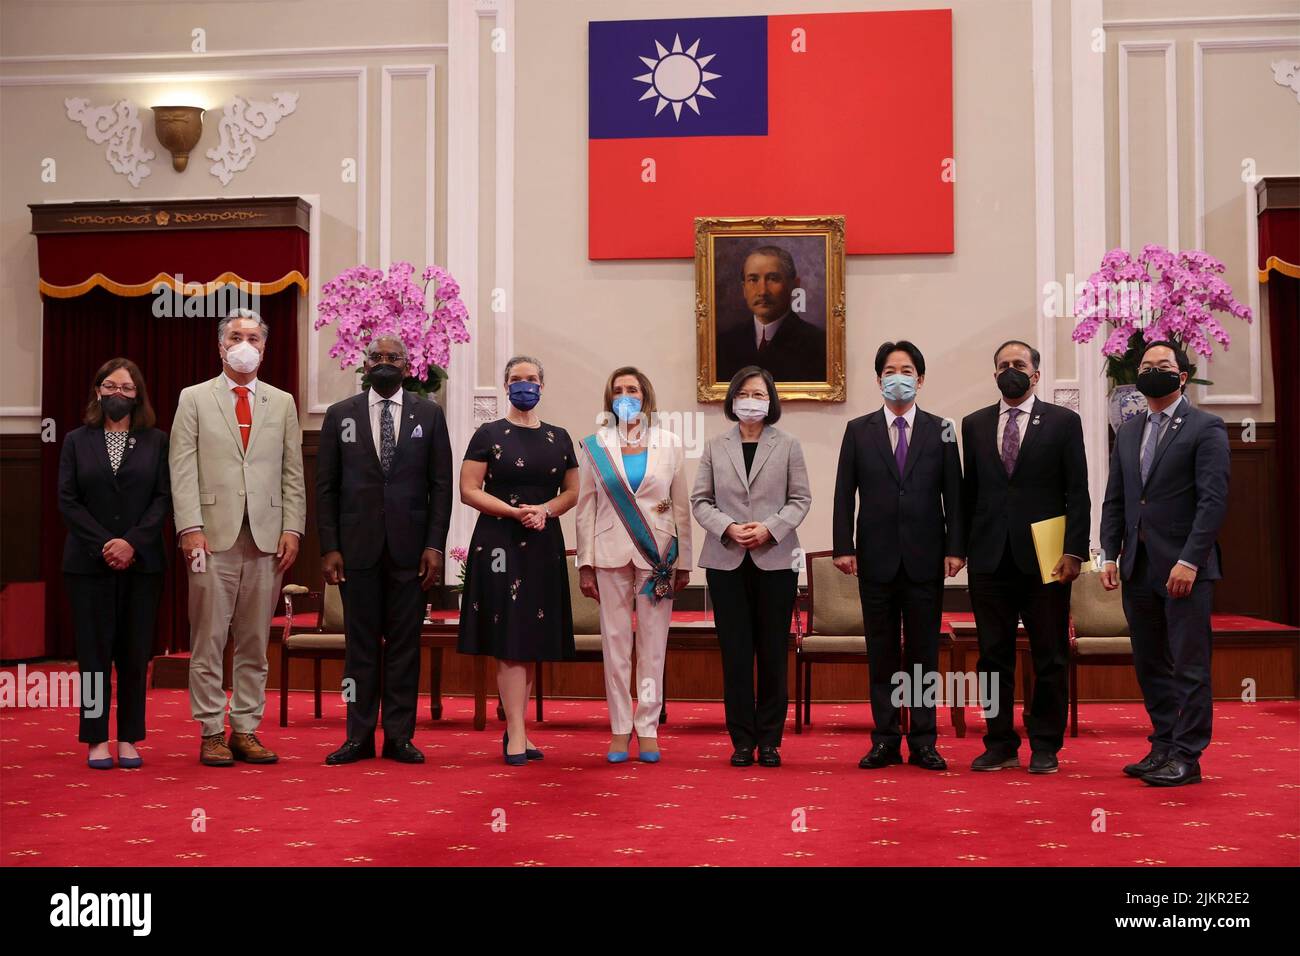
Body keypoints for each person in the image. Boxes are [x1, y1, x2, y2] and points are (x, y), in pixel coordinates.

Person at [170, 309, 305, 766]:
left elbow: (292, 472)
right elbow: (182, 467)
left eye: (253, 337)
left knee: (253, 642)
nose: (244, 343)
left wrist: (293, 527)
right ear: (220, 345)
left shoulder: (282, 402)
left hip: (267, 538)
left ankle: (246, 728)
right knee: (208, 639)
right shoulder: (193, 398)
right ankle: (211, 730)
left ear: (264, 348)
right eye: (235, 336)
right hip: (211, 537)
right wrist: (190, 528)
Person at [318, 335, 453, 765]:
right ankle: (357, 736)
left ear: (408, 364)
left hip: (412, 553)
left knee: (404, 647)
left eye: (393, 357)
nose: (384, 363)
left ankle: (398, 735)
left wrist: (434, 545)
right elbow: (326, 489)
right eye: (377, 357)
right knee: (359, 648)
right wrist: (330, 547)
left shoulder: (429, 415)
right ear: (365, 363)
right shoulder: (341, 415)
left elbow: (441, 488)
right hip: (356, 551)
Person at [1101, 341, 1230, 787]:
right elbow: (1116, 497)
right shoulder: (1130, 429)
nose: (1153, 371)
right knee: (1150, 662)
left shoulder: (1206, 427)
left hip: (1185, 571)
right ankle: (1163, 744)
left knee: (1189, 664)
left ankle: (1188, 756)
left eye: (1163, 365)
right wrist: (1108, 551)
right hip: (1137, 566)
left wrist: (1190, 561)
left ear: (1183, 376)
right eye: (1146, 365)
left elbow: (1212, 502)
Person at [832, 341, 965, 771]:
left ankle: (924, 739)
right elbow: (843, 494)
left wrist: (956, 548)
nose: (899, 377)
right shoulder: (858, 429)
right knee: (883, 653)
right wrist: (843, 546)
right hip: (875, 559)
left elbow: (955, 496)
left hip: (926, 559)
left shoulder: (942, 429)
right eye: (890, 370)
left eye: (907, 370)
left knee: (923, 655)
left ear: (921, 379)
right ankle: (886, 738)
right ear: (878, 380)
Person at [962, 340, 1089, 774]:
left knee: (1049, 653)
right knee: (991, 655)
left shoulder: (1063, 422)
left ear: (1035, 375)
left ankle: (1046, 743)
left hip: (1047, 559)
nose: (1010, 370)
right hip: (989, 560)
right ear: (994, 374)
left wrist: (1075, 551)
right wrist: (958, 550)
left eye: (1019, 364)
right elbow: (969, 493)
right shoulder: (974, 424)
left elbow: (1078, 492)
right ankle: (999, 741)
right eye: (1003, 365)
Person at [457, 356, 579, 765]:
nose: (523, 385)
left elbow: (573, 491)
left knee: (530, 640)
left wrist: (545, 509)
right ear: (505, 385)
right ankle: (516, 735)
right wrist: (513, 512)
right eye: (515, 380)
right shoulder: (488, 433)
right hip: (499, 542)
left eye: (531, 379)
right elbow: (469, 489)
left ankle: (517, 728)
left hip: (543, 541)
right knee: (509, 639)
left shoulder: (559, 437)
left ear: (542, 386)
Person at [692, 365, 810, 767]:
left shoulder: (788, 444)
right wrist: (728, 527)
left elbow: (800, 500)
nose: (751, 401)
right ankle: (741, 740)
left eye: (760, 395)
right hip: (726, 560)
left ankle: (770, 740)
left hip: (775, 559)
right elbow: (700, 502)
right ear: (732, 399)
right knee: (736, 653)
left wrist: (769, 529)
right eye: (745, 394)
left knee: (773, 651)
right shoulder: (714, 446)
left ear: (771, 400)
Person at [576, 366, 692, 763]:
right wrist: (584, 563)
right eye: (619, 390)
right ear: (610, 399)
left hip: (657, 554)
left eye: (633, 389)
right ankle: (619, 728)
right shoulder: (595, 445)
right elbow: (586, 507)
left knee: (653, 646)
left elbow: (680, 507)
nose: (626, 396)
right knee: (616, 644)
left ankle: (647, 728)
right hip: (608, 553)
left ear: (646, 396)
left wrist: (686, 561)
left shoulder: (670, 443)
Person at [58, 359, 170, 770]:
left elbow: (163, 499)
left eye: (125, 387)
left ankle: (128, 737)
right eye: (109, 386)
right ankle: (94, 738)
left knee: (134, 654)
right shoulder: (75, 440)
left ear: (137, 394)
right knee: (93, 655)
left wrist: (132, 543)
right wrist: (107, 543)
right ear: (97, 392)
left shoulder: (156, 440)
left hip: (142, 564)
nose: (117, 394)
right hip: (88, 564)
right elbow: (67, 501)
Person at [715, 245, 827, 383]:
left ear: (794, 285)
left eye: (773, 279)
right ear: (744, 289)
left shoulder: (819, 344)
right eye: (753, 280)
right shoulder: (723, 344)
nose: (762, 291)